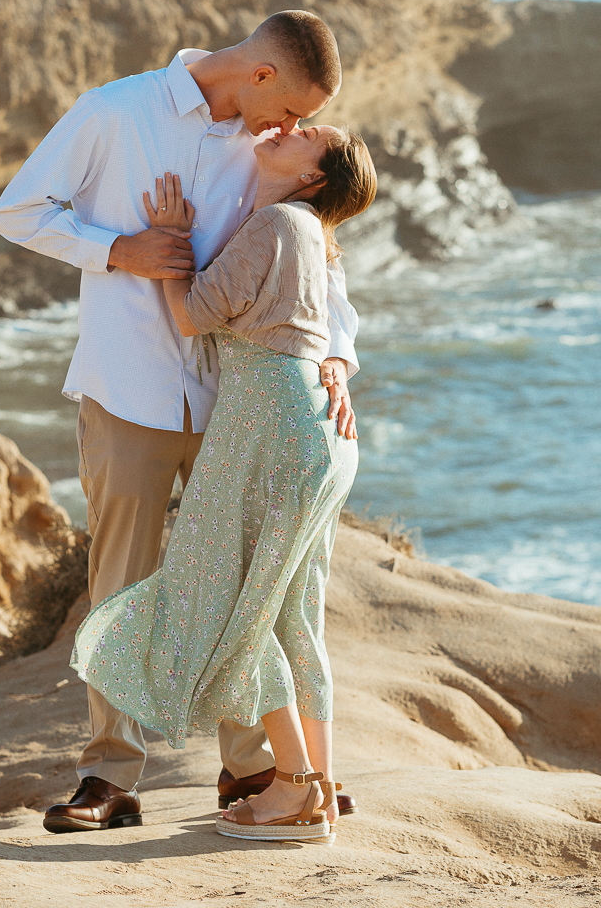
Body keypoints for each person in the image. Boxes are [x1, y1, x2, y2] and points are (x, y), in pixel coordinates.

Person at [0, 11, 361, 833]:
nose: (288, 129)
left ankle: (255, 770)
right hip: (131, 386)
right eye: (290, 110)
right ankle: (109, 776)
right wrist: (118, 250)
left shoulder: (266, 152)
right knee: (121, 579)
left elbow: (316, 253)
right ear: (261, 74)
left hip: (242, 401)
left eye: (300, 123)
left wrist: (335, 355)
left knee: (246, 584)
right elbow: (18, 210)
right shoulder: (115, 112)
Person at [72, 123, 378, 841]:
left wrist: (171, 244)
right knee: (291, 613)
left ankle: (293, 788)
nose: (291, 127)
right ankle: (316, 786)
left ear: (312, 176)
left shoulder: (276, 223)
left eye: (309, 133)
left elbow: (188, 316)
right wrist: (336, 362)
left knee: (245, 609)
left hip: (268, 425)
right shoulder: (305, 230)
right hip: (311, 428)